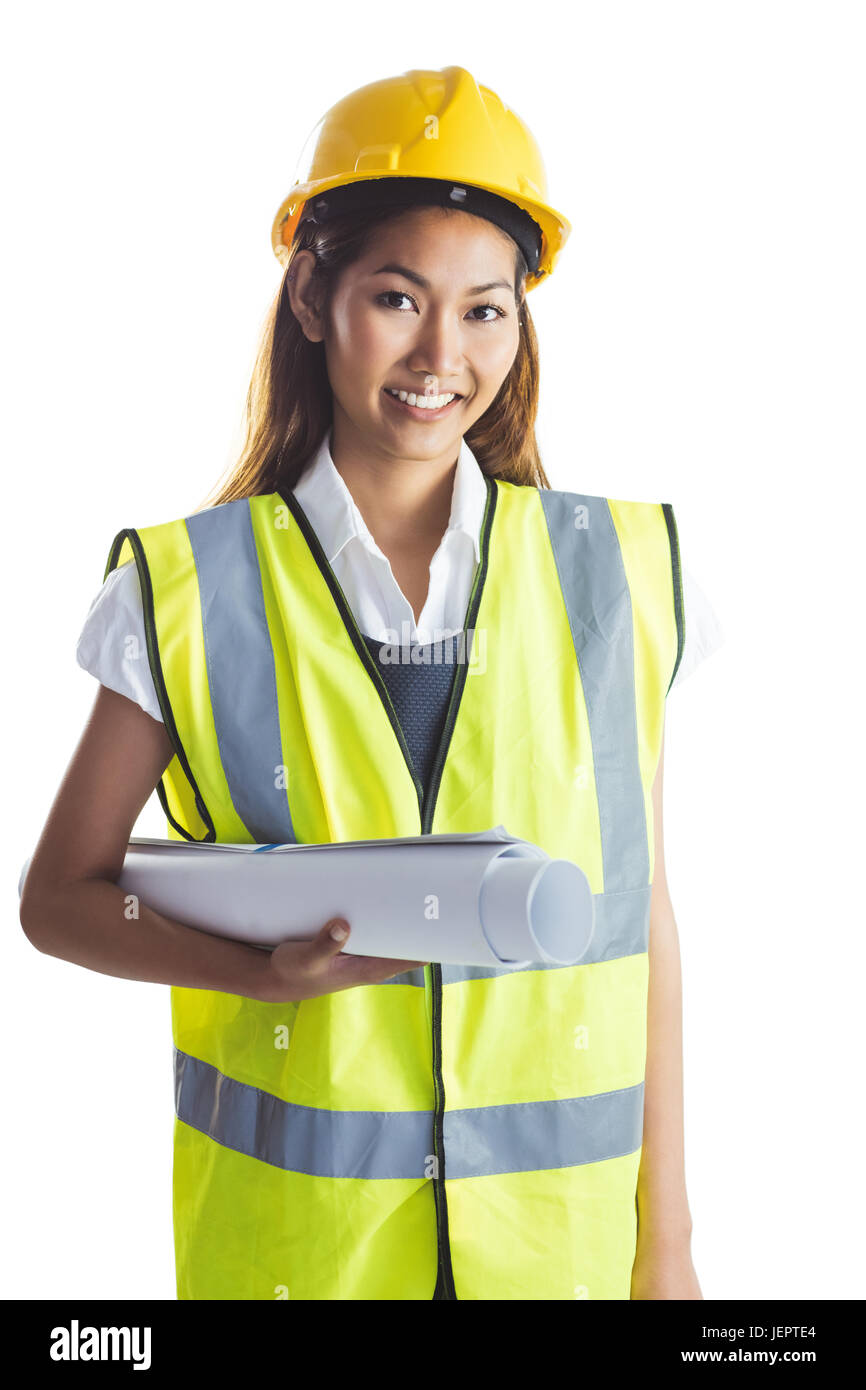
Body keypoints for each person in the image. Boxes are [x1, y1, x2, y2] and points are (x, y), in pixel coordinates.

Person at [20, 65, 722, 1300]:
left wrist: (664, 1255)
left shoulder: (620, 576)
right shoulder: (186, 590)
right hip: (300, 1266)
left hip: (555, 1262)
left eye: (485, 310)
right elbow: (60, 898)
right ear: (310, 294)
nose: (439, 354)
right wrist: (254, 970)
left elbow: (639, 924)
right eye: (396, 298)